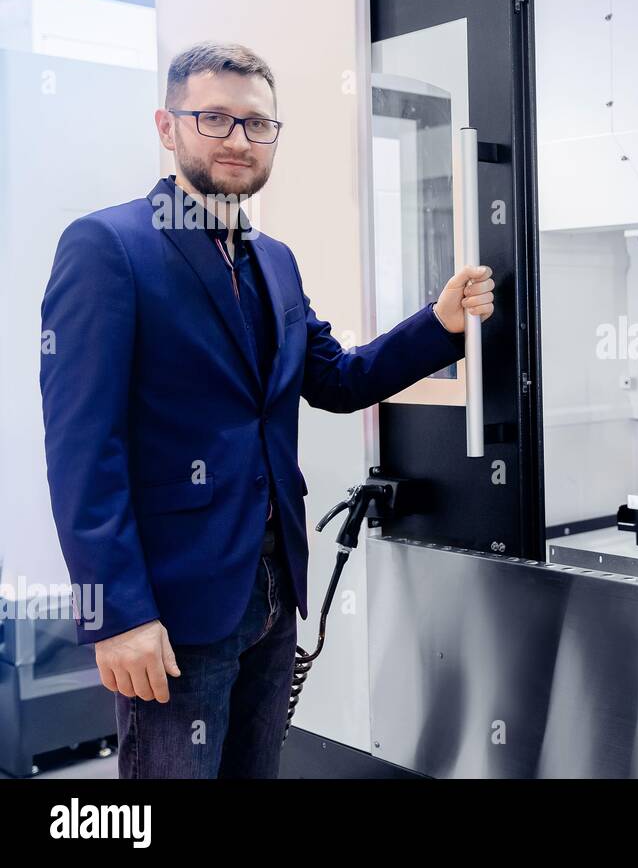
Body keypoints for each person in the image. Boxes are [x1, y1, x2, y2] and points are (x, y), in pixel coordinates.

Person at [38, 41, 494, 778]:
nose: (238, 140)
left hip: (273, 596)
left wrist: (437, 325)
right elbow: (81, 448)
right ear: (166, 126)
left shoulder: (273, 257)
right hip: (173, 610)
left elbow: (337, 380)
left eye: (257, 124)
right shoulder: (108, 247)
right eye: (213, 119)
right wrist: (116, 614)